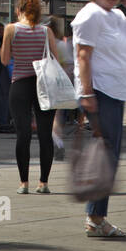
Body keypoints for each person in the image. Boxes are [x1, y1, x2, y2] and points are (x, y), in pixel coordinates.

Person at [72, 0, 126, 237]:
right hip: (100, 91)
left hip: (116, 91)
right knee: (106, 157)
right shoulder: (90, 15)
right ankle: (95, 218)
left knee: (109, 156)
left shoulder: (116, 15)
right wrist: (87, 93)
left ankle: (96, 217)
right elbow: (83, 56)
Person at [2, 0, 59, 194]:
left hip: (20, 85)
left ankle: (23, 183)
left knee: (23, 134)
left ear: (19, 10)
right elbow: (55, 58)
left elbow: (4, 60)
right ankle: (43, 183)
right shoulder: (46, 31)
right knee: (45, 134)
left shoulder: (11, 29)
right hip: (44, 84)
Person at [50, 18, 75, 153]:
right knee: (57, 115)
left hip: (42, 82)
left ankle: (51, 141)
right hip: (58, 82)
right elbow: (68, 65)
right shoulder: (60, 44)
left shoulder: (42, 43)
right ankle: (58, 141)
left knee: (44, 115)